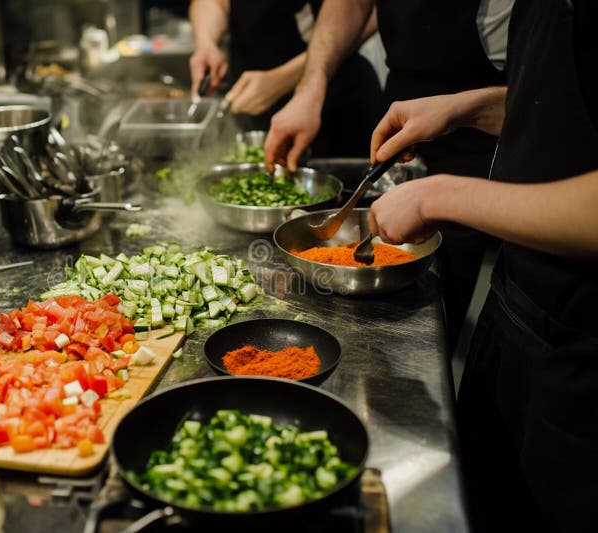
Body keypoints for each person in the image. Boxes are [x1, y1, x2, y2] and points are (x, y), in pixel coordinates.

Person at [366, 1, 598, 530]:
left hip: (583, 357)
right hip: (520, 304)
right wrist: (474, 106)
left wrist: (439, 197)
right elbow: (573, 109)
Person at [264, 0, 513, 354]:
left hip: (487, 138)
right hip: (408, 110)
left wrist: (468, 113)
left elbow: (553, 110)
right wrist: (310, 87)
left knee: (427, 325)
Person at [188, 0, 382, 157]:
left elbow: (364, 10)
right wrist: (206, 42)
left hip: (334, 105)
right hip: (249, 95)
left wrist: (285, 78)